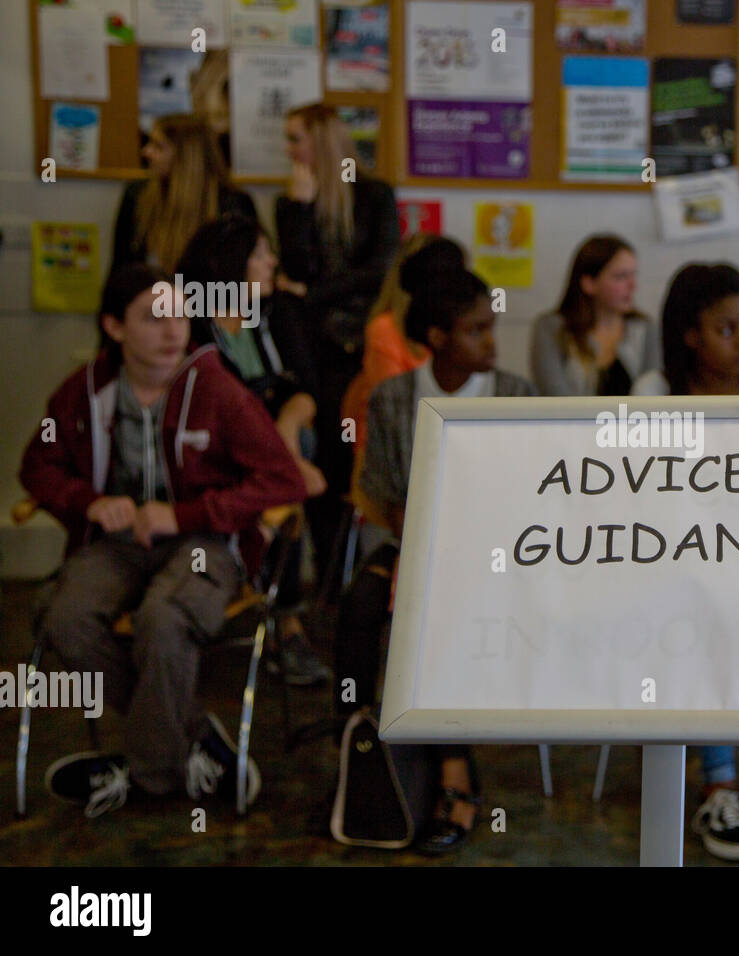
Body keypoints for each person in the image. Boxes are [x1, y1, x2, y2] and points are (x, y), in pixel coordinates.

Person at [19, 265, 307, 817]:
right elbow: (37, 466)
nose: (173, 328)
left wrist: (187, 514)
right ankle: (192, 741)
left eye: (178, 313)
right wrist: (88, 501)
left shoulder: (217, 387)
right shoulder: (83, 391)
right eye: (153, 317)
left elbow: (283, 479)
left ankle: (148, 775)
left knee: (164, 619)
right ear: (114, 326)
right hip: (118, 542)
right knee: (64, 617)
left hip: (206, 542)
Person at [335, 266, 536, 854]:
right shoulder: (395, 397)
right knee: (358, 609)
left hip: (495, 552)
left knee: (437, 608)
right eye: (476, 330)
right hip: (413, 542)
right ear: (437, 336)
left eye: (491, 327)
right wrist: (404, 543)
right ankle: (362, 755)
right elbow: (378, 493)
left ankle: (452, 769)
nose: (491, 343)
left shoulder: (514, 395)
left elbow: (530, 494)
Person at [631, 263, 739, 861]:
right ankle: (720, 786)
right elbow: (643, 494)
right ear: (688, 334)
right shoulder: (655, 392)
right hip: (677, 564)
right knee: (701, 610)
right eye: (724, 329)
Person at [175, 213, 330, 686]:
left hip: (271, 451)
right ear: (228, 266)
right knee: (287, 471)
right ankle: (284, 617)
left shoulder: (274, 312)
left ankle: (281, 608)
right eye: (260, 254)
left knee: (301, 443)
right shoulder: (191, 326)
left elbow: (308, 390)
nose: (272, 263)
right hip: (213, 458)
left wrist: (283, 432)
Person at [275, 103, 399, 584]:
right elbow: (295, 272)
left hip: (364, 344)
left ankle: (362, 575)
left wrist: (315, 293)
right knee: (326, 458)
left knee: (360, 459)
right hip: (315, 350)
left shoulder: (373, 194)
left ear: (322, 142)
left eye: (295, 139)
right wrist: (301, 211)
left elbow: (379, 269)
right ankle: (326, 581)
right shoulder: (291, 200)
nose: (288, 151)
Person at [341, 235, 466, 530]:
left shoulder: (459, 330)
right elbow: (398, 416)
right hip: (391, 462)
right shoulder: (385, 329)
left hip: (437, 453)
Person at [110, 114, 254, 276]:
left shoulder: (231, 203)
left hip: (211, 298)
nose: (146, 152)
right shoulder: (137, 195)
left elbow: (243, 277)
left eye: (158, 146)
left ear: (186, 156)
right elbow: (120, 271)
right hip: (149, 298)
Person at [530, 235, 658, 396]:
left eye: (633, 275)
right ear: (589, 283)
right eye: (621, 276)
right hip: (573, 420)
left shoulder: (645, 328)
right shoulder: (551, 327)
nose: (633, 285)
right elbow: (556, 398)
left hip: (633, 420)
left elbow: (653, 395)